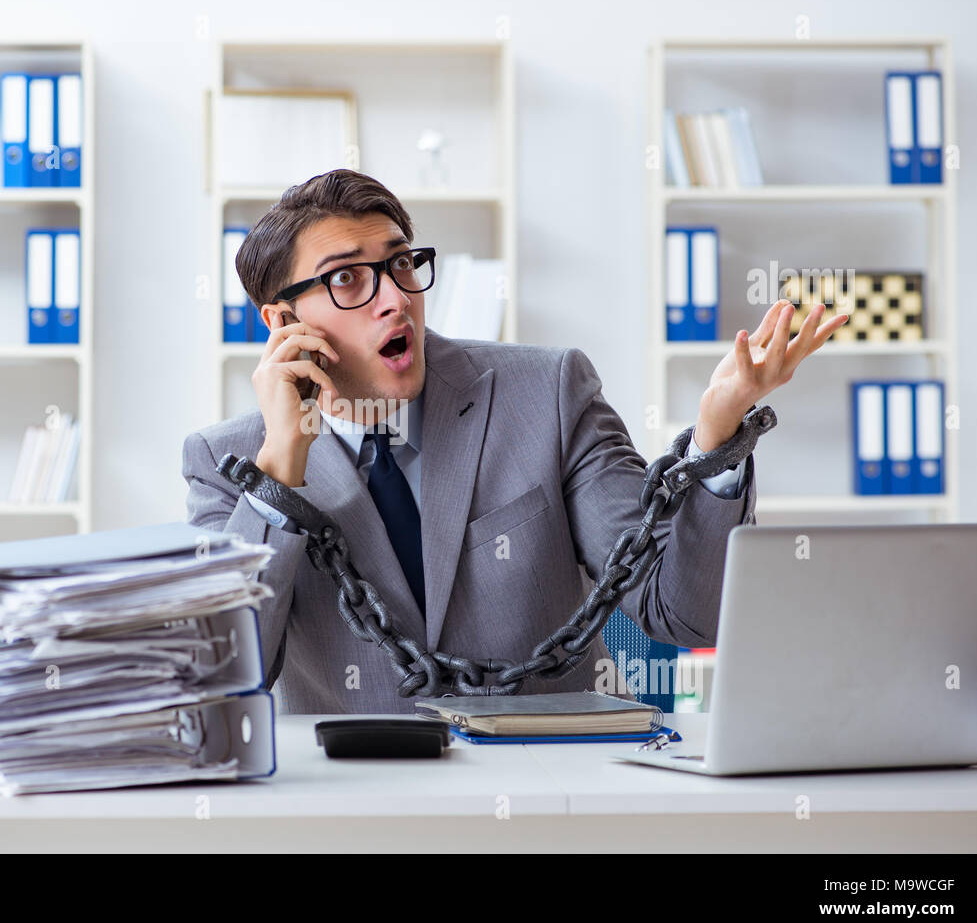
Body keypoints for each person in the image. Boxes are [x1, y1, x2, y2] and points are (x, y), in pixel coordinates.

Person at [181, 169, 847, 714]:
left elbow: (685, 614)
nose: (395, 299)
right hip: (357, 811)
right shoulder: (226, 462)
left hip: (552, 800)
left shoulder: (548, 393)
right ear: (283, 321)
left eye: (401, 263)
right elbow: (229, 677)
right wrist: (280, 471)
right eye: (348, 278)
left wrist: (717, 432)